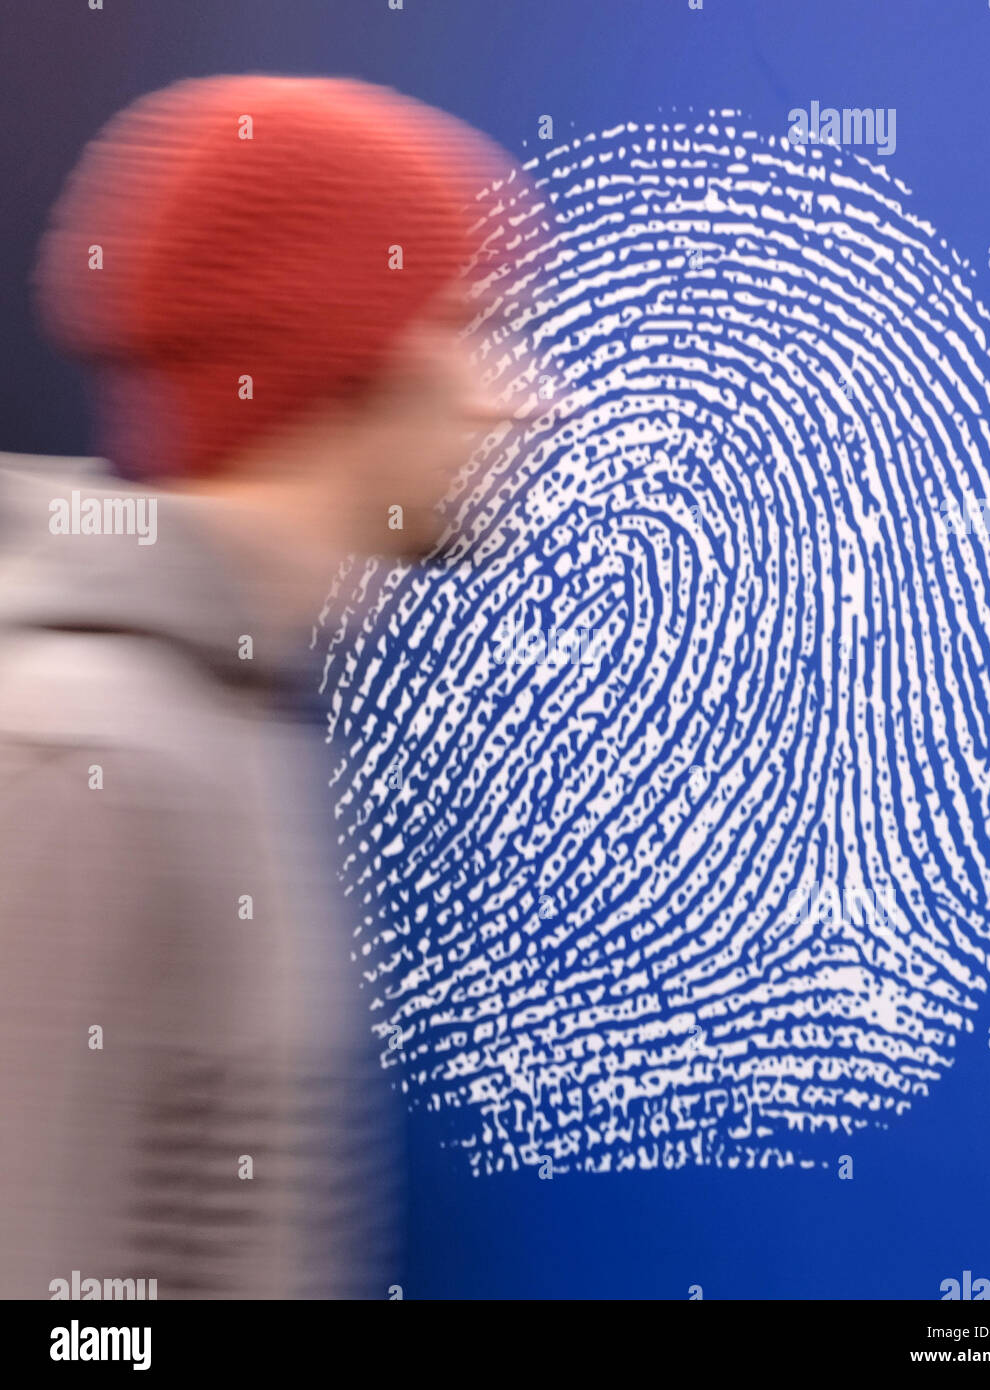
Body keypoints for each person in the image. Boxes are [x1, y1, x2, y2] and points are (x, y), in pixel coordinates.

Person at [0, 73, 535, 1299]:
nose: (517, 395)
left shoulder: (233, 716)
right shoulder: (83, 755)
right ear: (346, 354)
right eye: (466, 323)